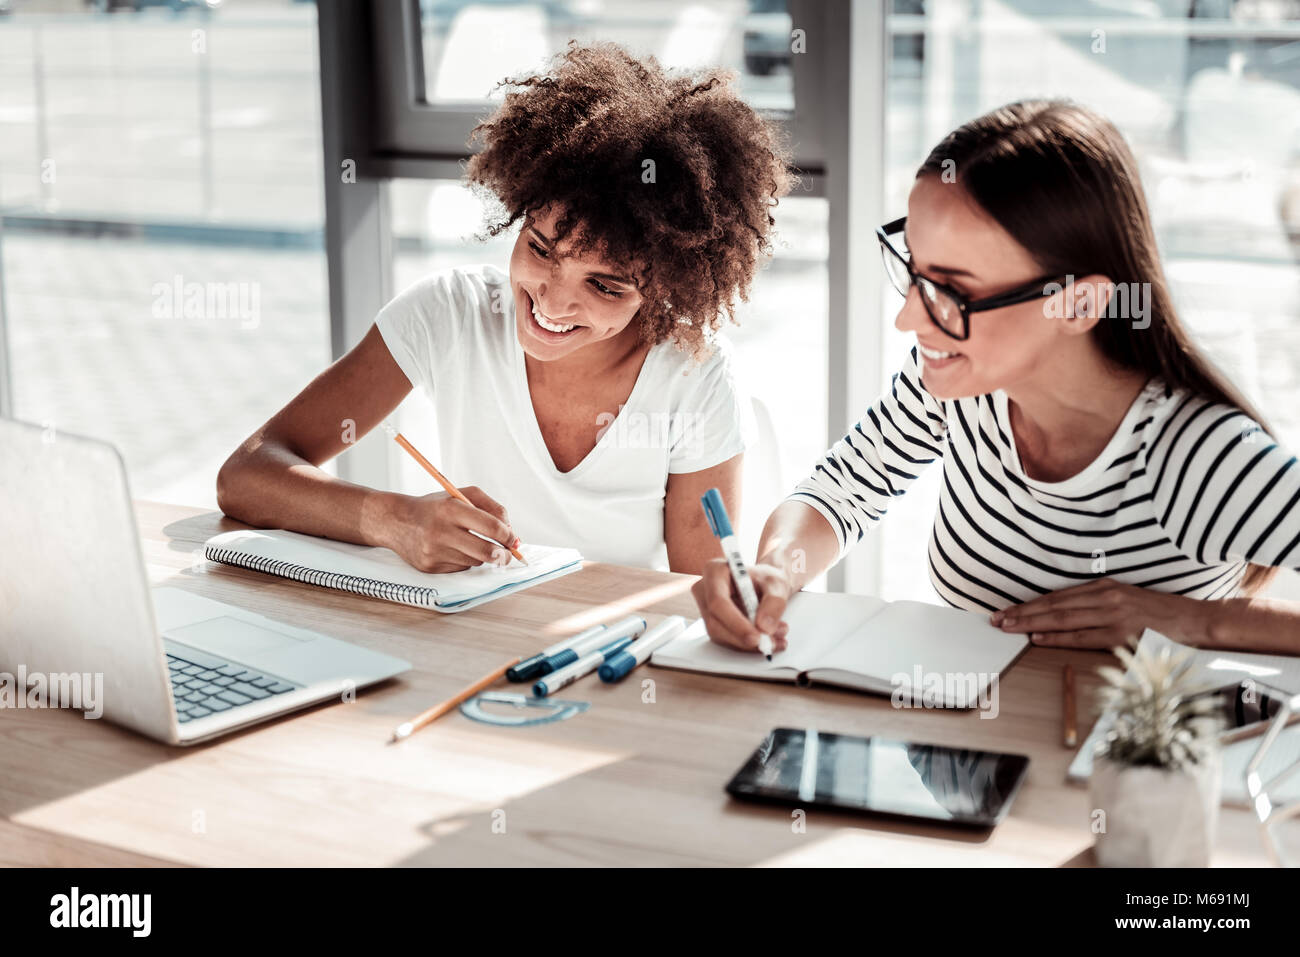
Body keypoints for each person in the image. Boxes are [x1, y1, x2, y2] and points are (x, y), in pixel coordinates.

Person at [693, 100, 1300, 654]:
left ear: (1079, 306)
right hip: (969, 750)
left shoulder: (1196, 453)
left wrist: (1197, 622)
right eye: (915, 273)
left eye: (953, 290)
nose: (908, 318)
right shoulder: (965, 386)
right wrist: (776, 568)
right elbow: (843, 491)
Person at [217, 42, 791, 574]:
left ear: (662, 290)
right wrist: (393, 521)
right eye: (541, 249)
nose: (553, 300)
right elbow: (246, 475)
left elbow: (698, 601)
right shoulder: (449, 314)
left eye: (606, 287)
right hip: (468, 640)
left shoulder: (694, 376)